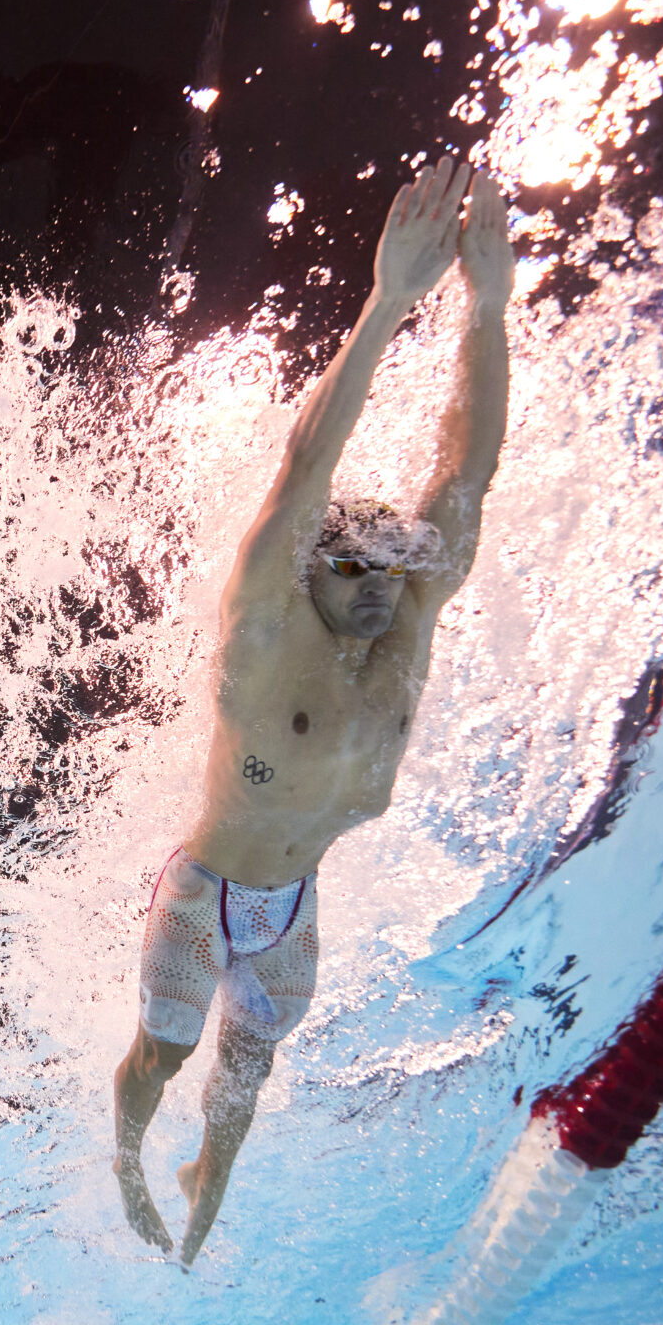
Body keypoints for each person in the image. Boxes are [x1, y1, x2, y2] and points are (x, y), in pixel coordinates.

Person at [113, 157, 513, 1263]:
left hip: (291, 907)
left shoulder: (403, 633)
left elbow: (464, 474)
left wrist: (487, 304)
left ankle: (205, 1180)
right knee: (162, 1053)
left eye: (394, 568)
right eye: (358, 569)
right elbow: (305, 465)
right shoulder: (268, 629)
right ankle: (125, 1155)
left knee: (248, 1073)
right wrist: (390, 305)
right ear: (311, 570)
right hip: (204, 895)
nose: (384, 585)